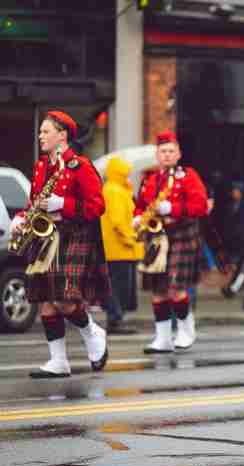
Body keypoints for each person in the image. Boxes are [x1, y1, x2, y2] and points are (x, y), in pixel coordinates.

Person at [8, 110, 110, 378]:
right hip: (45, 235)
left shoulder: (81, 166)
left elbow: (98, 206)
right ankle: (58, 361)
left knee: (64, 299)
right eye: (41, 131)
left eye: (46, 131)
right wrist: (21, 217)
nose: (41, 136)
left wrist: (63, 204)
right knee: (45, 300)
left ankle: (92, 331)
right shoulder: (42, 166)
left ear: (62, 135)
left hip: (73, 234)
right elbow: (35, 200)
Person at [134, 131, 208, 354]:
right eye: (162, 151)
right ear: (157, 154)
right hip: (157, 237)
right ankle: (162, 338)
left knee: (176, 287)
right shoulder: (150, 179)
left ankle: (186, 330)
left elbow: (201, 206)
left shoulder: (188, 176)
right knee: (158, 289)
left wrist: (172, 209)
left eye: (170, 151)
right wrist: (137, 217)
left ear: (178, 154)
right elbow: (140, 204)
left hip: (182, 235)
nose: (166, 155)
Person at [100, 157, 144, 334]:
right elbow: (118, 221)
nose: (128, 176)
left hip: (117, 249)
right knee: (119, 287)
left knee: (116, 286)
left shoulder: (115, 189)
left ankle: (115, 319)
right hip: (119, 248)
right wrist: (130, 238)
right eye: (125, 173)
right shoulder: (114, 191)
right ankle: (115, 320)